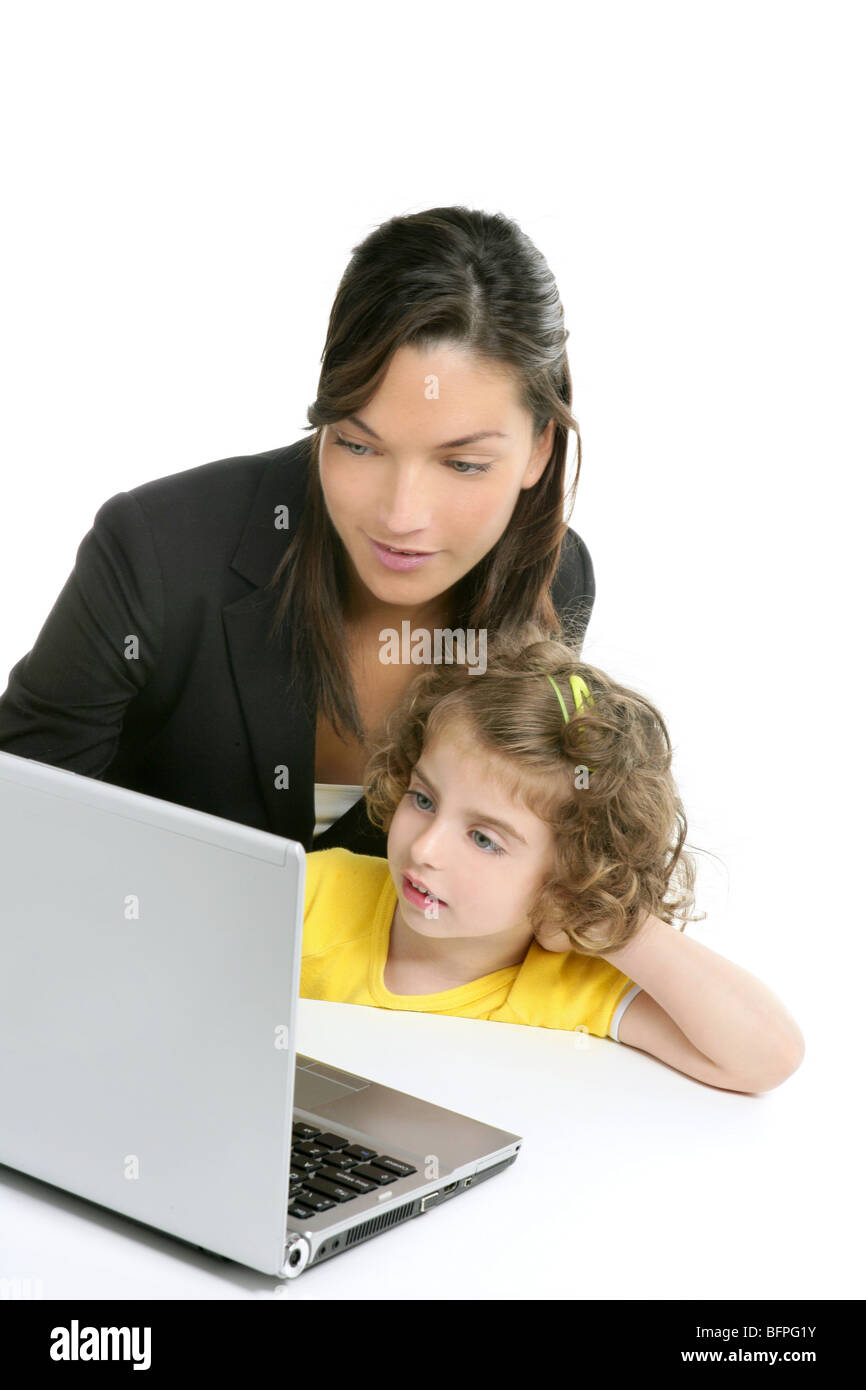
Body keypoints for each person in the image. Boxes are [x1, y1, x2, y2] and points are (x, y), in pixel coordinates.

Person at [0, 207, 595, 857]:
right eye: (359, 445)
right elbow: (21, 817)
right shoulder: (156, 549)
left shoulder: (557, 581)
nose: (400, 516)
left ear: (540, 448)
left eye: (462, 464)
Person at [302, 626, 806, 1094]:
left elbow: (768, 1057)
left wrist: (609, 921)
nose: (424, 849)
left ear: (572, 869)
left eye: (483, 839)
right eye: (424, 800)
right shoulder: (315, 893)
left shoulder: (570, 983)